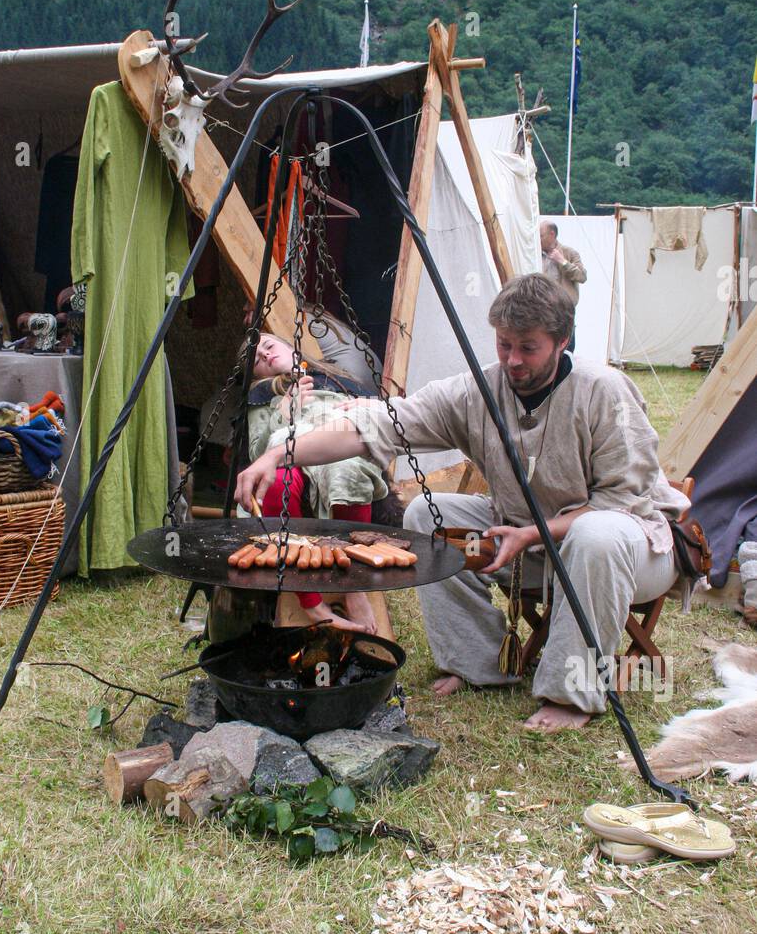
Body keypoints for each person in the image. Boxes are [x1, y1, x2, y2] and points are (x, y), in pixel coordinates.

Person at [237, 275, 685, 734]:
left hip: (628, 551)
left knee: (596, 536)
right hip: (523, 547)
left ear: (561, 341)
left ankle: (572, 694)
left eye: (528, 348)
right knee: (427, 519)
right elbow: (376, 426)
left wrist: (530, 533)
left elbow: (620, 503)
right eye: (504, 344)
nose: (512, 359)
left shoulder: (604, 392)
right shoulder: (477, 391)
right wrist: (278, 454)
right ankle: (477, 664)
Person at [248, 331, 389, 633]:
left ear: (289, 343)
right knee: (276, 483)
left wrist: (361, 413)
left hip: (334, 438)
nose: (265, 355)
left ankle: (354, 588)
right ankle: (310, 602)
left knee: (348, 467)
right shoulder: (260, 397)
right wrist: (283, 413)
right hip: (288, 445)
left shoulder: (335, 378)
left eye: (269, 345)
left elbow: (379, 424)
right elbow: (257, 456)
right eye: (257, 359)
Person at [540, 220, 586, 352]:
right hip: (542, 309)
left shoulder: (569, 253)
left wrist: (562, 261)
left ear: (552, 234)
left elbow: (582, 276)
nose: (538, 239)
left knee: (567, 347)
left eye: (541, 236)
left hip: (564, 309)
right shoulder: (533, 254)